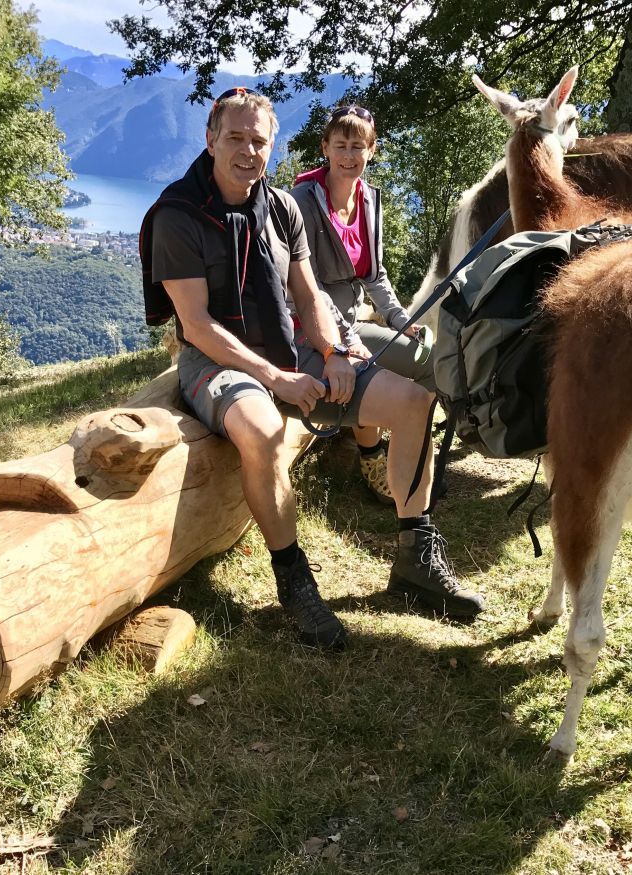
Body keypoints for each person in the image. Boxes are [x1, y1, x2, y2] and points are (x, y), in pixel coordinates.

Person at [139, 88, 484, 650]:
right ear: (209, 139)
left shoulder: (281, 207)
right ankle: (293, 577)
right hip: (215, 363)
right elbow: (197, 327)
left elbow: (308, 293)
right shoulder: (178, 216)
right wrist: (277, 379)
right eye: (235, 138)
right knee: (263, 428)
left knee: (412, 402)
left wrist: (332, 352)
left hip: (290, 347)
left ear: (273, 145)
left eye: (259, 140)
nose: (248, 151)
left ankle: (414, 553)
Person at [290, 105, 434, 504]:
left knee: (431, 360)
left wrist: (403, 320)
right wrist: (349, 340)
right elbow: (306, 288)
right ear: (325, 148)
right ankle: (372, 460)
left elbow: (374, 273)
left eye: (358, 146)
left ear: (371, 151)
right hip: (312, 327)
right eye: (341, 145)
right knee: (368, 366)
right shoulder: (300, 202)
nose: (349, 156)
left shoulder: (370, 200)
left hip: (352, 319)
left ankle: (410, 451)